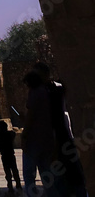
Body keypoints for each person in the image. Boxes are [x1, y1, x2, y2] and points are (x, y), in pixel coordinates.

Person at [33, 62, 88, 197]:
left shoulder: (50, 93)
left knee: (64, 178)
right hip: (63, 138)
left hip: (59, 139)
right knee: (71, 176)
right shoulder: (57, 90)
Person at [22, 70, 54, 197]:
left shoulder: (34, 93)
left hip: (33, 139)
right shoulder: (48, 92)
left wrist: (24, 135)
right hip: (47, 138)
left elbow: (31, 117)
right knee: (46, 171)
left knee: (29, 174)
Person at [0, 120, 22, 193]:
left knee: (7, 171)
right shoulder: (9, 134)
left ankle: (10, 185)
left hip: (4, 156)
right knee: (14, 170)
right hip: (11, 155)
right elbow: (13, 134)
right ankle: (18, 183)